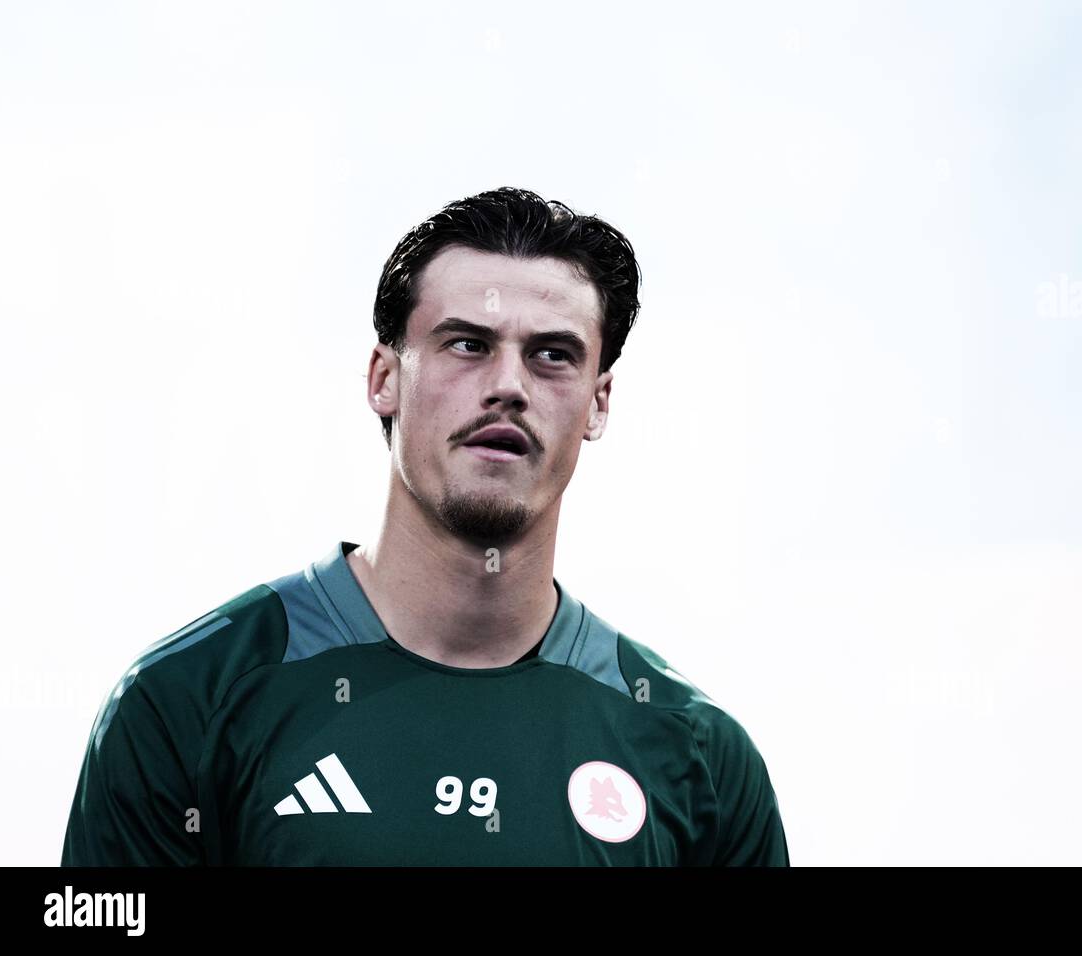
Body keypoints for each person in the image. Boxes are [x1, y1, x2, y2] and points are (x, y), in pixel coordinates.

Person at [60, 187, 790, 866]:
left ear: (599, 404)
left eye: (553, 355)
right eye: (467, 344)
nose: (509, 386)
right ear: (384, 378)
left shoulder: (698, 758)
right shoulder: (187, 702)